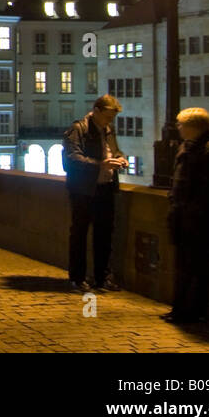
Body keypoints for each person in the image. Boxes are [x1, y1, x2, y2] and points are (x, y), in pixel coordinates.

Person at [165, 108, 209, 324]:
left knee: (197, 268)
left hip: (199, 221)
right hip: (183, 217)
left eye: (181, 124)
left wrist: (190, 210)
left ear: (193, 127)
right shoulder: (188, 147)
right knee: (183, 267)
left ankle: (193, 312)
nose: (178, 128)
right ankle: (180, 309)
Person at [63, 94, 128, 293]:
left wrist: (120, 159)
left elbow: (114, 151)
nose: (110, 121)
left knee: (105, 234)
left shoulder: (108, 129)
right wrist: (101, 165)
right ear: (97, 111)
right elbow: (72, 159)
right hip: (84, 190)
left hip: (106, 187)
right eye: (108, 117)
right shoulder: (78, 129)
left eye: (112, 118)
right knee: (80, 234)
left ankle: (102, 277)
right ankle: (78, 278)